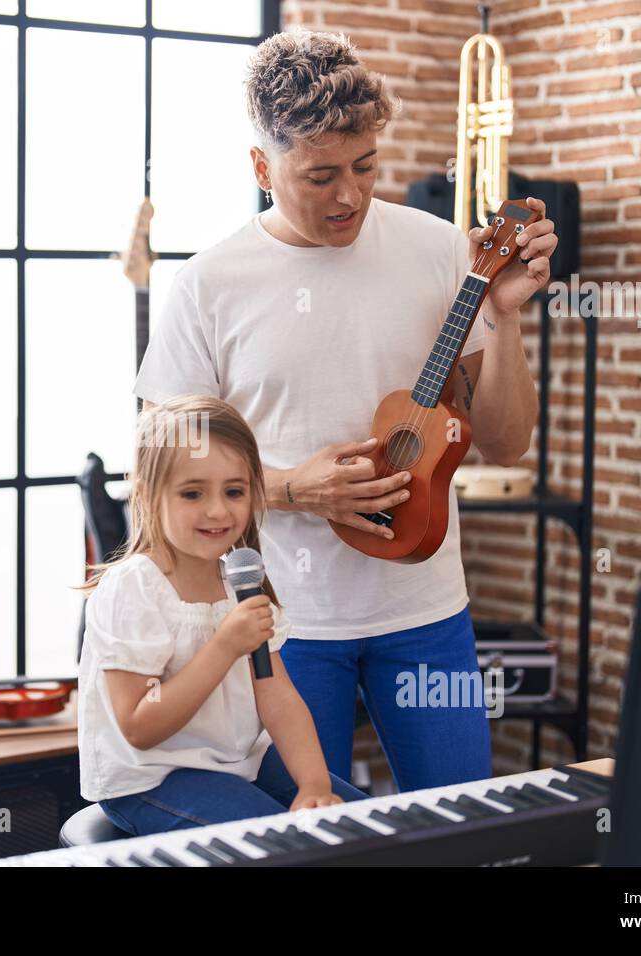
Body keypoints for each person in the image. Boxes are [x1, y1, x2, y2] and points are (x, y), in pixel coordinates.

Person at [133, 29, 558, 791]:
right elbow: (165, 460)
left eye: (365, 166)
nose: (351, 195)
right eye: (320, 175)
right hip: (283, 623)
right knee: (310, 839)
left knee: (466, 828)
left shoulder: (438, 249)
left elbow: (506, 444)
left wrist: (506, 316)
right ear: (262, 167)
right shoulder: (208, 284)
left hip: (428, 610)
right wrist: (297, 488)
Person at [76, 395, 366, 836]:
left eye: (234, 491)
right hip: (152, 776)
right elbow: (138, 726)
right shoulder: (136, 587)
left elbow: (279, 698)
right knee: (282, 843)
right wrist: (225, 645)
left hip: (240, 759)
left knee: (362, 825)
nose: (217, 510)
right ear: (147, 495)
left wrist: (314, 785)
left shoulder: (242, 578)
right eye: (193, 493)